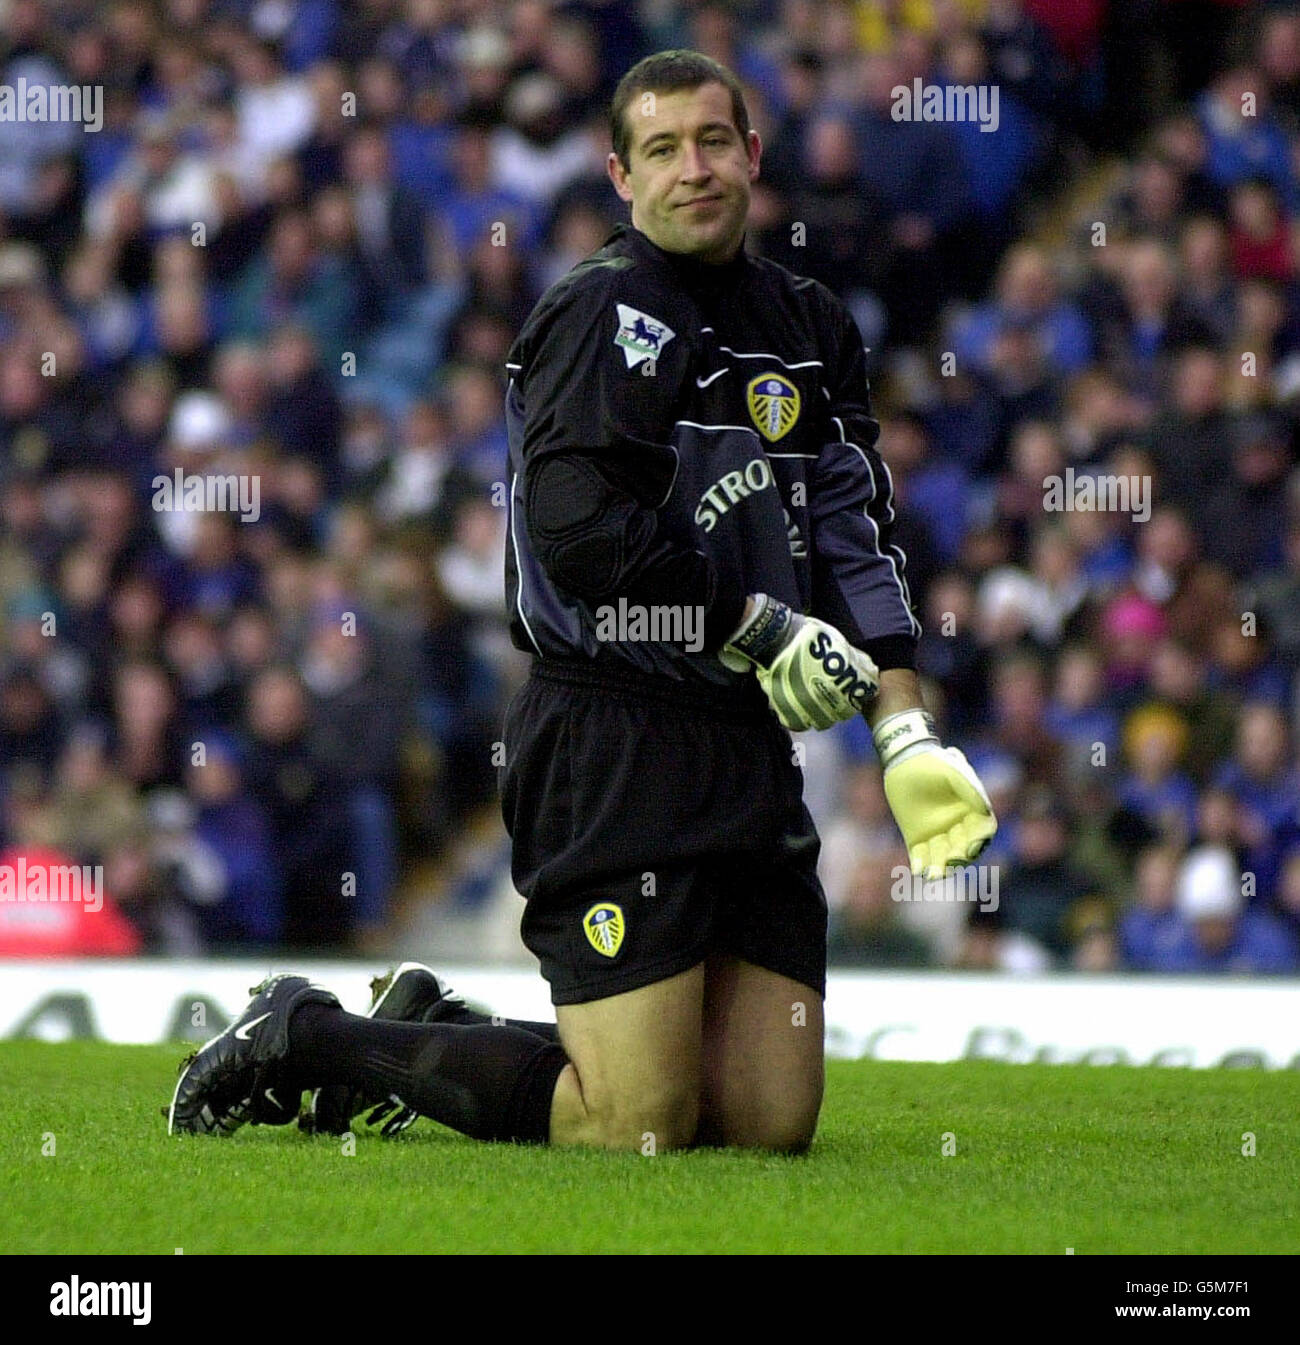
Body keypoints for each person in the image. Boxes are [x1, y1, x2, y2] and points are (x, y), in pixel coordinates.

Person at [168, 50, 996, 1153]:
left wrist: (901, 727)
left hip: (743, 739)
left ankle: (438, 1029)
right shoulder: (598, 313)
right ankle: (306, 1035)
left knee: (764, 1123)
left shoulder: (809, 323)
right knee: (637, 1124)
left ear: (752, 154)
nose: (691, 168)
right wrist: (752, 624)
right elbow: (577, 531)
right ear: (619, 174)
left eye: (712, 141)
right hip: (615, 726)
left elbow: (853, 529)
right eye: (661, 149)